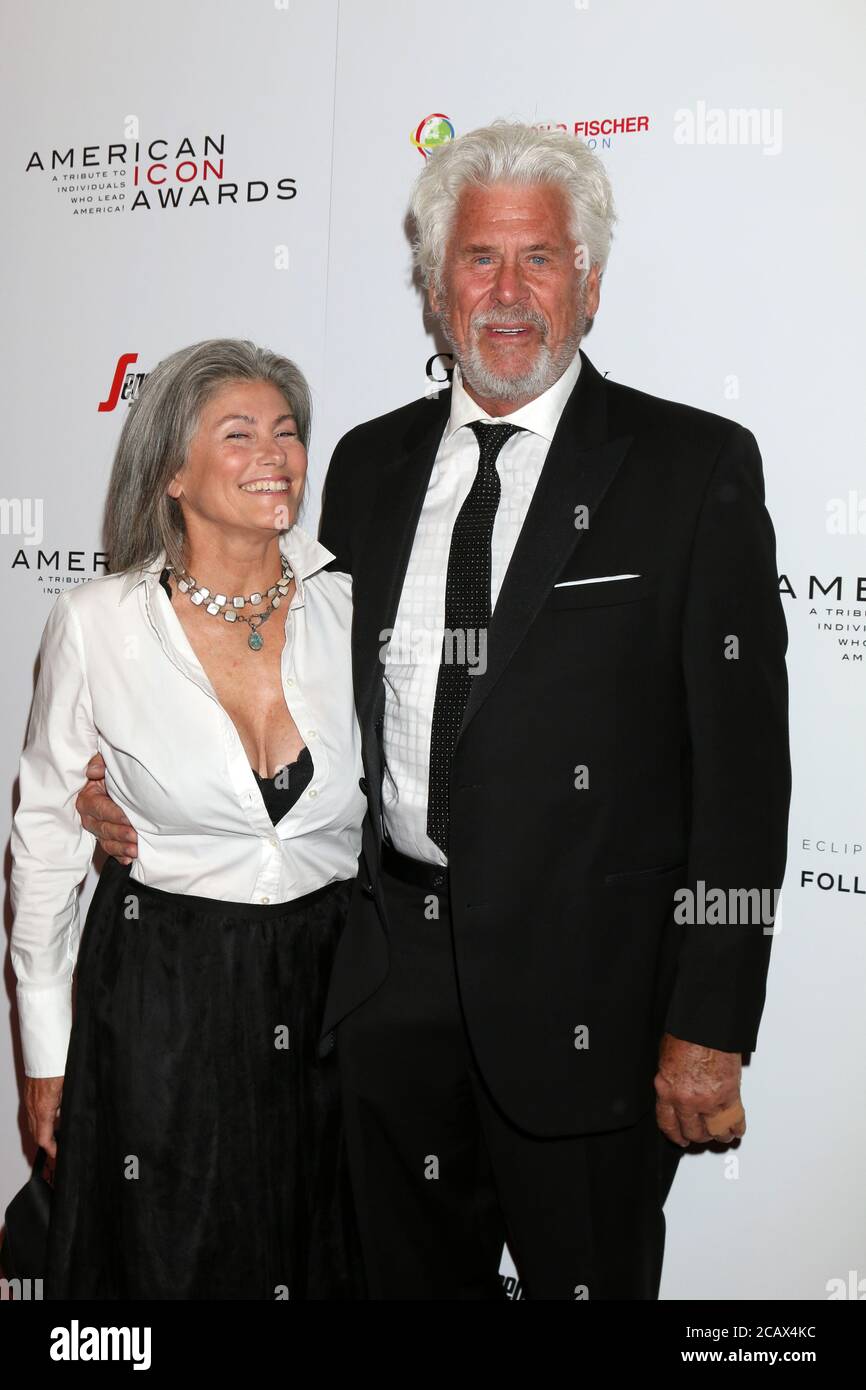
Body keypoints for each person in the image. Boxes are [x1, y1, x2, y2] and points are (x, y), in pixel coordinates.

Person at [79, 121, 792, 1301]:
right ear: (431, 286)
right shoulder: (363, 465)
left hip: (595, 1012)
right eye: (476, 260)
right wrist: (138, 785)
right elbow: (275, 663)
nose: (506, 293)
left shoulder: (689, 465)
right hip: (381, 984)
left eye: (540, 260)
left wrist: (710, 1023)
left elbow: (742, 774)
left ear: (590, 284)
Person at [11, 338, 367, 1299]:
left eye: (288, 433)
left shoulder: (352, 605)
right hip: (164, 991)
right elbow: (45, 842)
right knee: (168, 1260)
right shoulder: (99, 622)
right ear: (171, 470)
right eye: (240, 434)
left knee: (320, 1249)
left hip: (334, 990)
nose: (276, 455)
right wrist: (46, 1056)